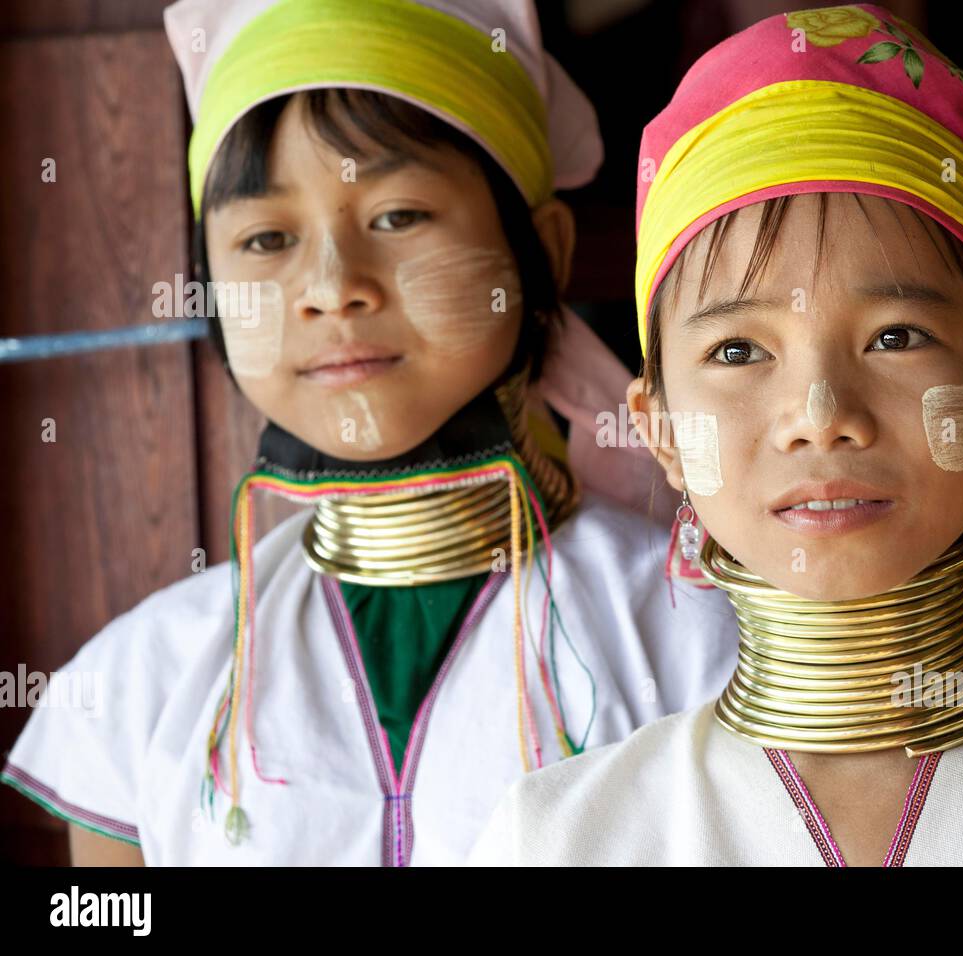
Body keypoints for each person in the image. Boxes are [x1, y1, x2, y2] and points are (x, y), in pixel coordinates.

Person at [465, 3, 963, 866]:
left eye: (896, 337)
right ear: (661, 431)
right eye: (738, 350)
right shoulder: (554, 838)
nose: (820, 412)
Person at [1, 0, 738, 866]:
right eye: (267, 238)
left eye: (396, 217)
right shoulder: (140, 685)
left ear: (544, 250)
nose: (330, 285)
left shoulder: (698, 639)